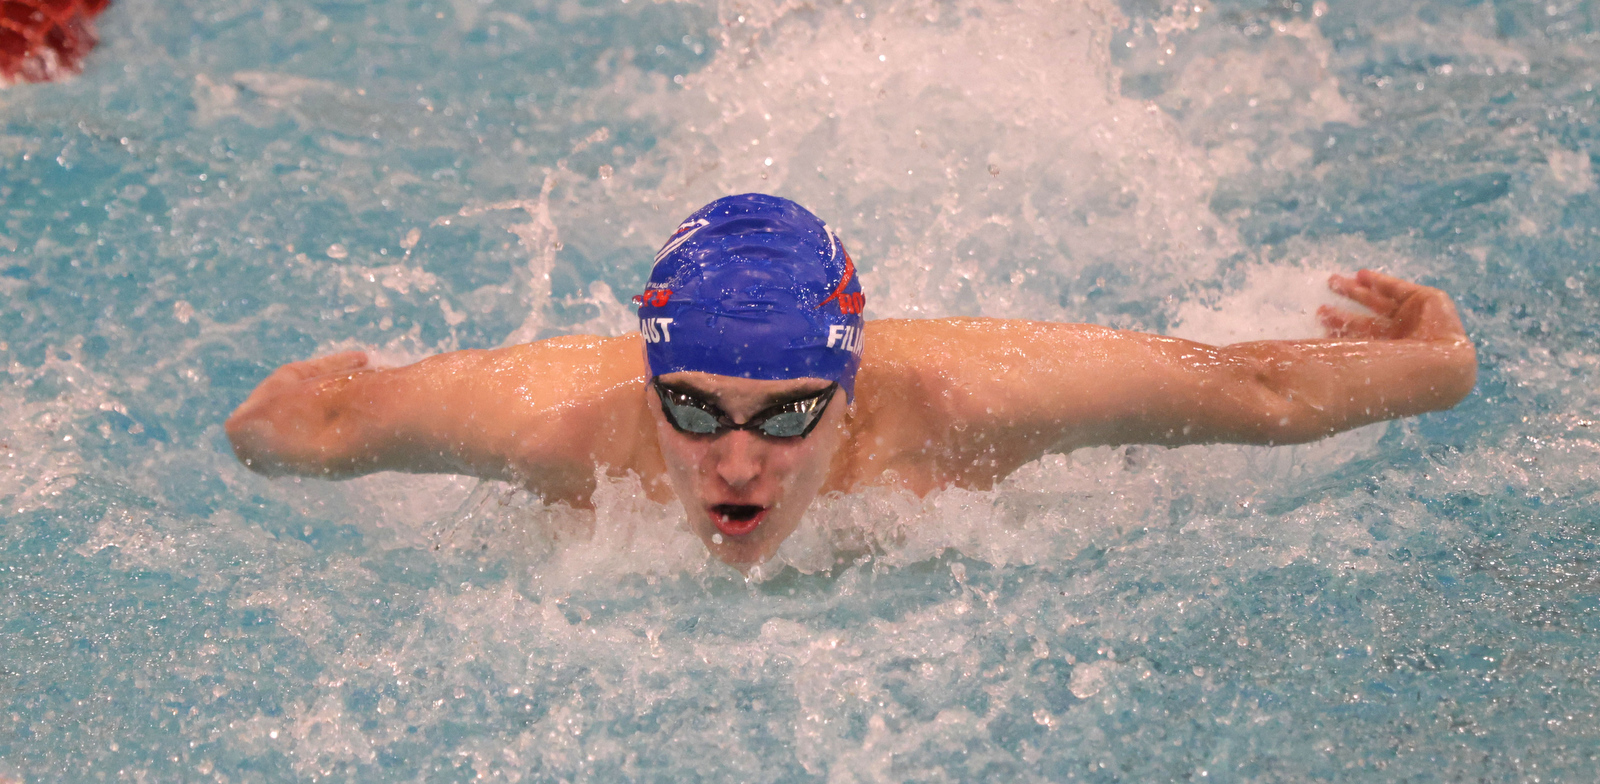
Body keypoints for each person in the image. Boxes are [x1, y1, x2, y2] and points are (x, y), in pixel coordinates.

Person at [225, 194, 1477, 569]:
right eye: (692, 408)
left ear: (850, 388)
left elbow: (1254, 391)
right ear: (646, 384)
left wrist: (1432, 358)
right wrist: (289, 412)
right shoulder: (559, 427)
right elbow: (300, 426)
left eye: (787, 416)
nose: (734, 461)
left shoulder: (977, 407)